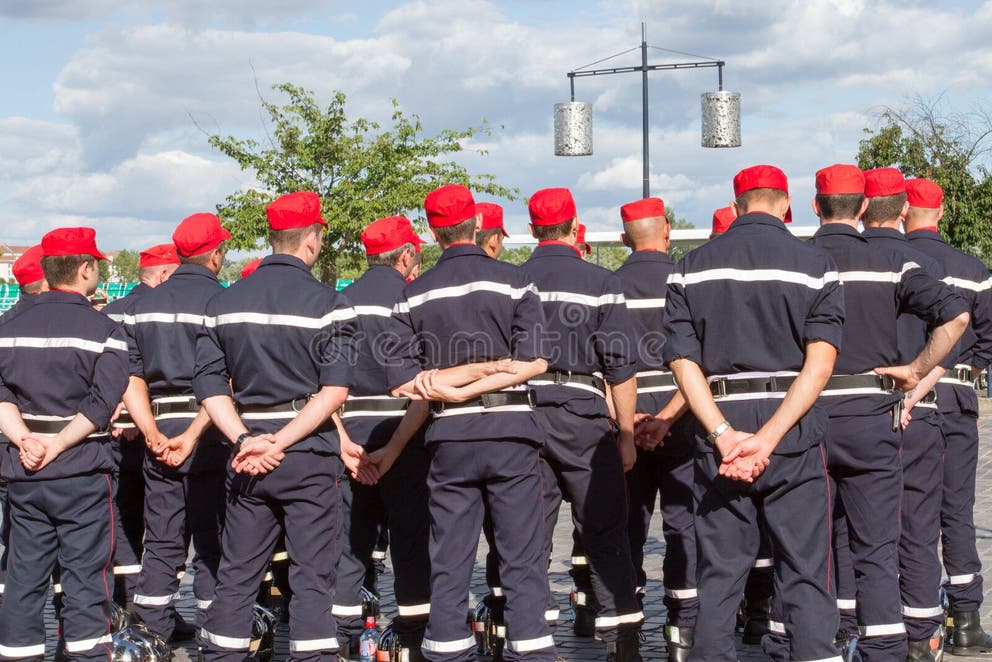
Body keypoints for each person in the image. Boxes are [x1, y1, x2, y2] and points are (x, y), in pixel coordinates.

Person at [663, 165, 843, 662]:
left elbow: (683, 362)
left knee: (719, 576)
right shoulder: (816, 265)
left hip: (719, 419)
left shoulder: (688, 267)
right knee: (806, 571)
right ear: (786, 204)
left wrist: (723, 434)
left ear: (736, 203)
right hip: (792, 426)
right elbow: (821, 362)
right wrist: (768, 437)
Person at [385, 183, 556, 661]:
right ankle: (532, 653)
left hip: (449, 436)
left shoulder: (412, 295)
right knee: (522, 558)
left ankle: (448, 652)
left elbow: (402, 381)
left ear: (433, 233)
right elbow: (536, 360)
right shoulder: (516, 280)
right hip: (512, 434)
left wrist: (453, 387)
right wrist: (487, 371)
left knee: (450, 559)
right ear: (477, 225)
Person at [808, 165, 968, 662]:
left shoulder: (801, 259)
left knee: (813, 542)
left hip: (807, 417)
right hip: (882, 413)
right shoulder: (899, 263)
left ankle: (820, 638)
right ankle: (900, 642)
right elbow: (960, 321)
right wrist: (915, 374)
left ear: (816, 206)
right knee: (891, 538)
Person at [194, 191, 362, 661]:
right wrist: (282, 440)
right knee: (313, 578)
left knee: (237, 575)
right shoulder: (331, 304)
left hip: (246, 457)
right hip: (307, 457)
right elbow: (334, 393)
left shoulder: (223, 304)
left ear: (272, 238)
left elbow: (210, 388)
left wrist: (248, 440)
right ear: (313, 238)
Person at [522, 187, 643, 660]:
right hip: (585, 416)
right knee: (605, 531)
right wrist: (627, 434)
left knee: (528, 535)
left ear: (531, 231)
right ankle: (623, 642)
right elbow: (621, 369)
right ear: (575, 228)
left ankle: (531, 639)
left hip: (525, 414)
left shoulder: (514, 280)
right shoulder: (601, 282)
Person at [0, 227, 127, 660]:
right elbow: (102, 404)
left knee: (23, 578)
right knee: (86, 579)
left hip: (23, 471)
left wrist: (25, 440)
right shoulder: (105, 329)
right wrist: (55, 446)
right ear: (86, 269)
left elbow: (2, 396)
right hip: (82, 473)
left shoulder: (6, 325)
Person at [123, 216, 231, 640]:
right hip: (210, 431)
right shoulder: (225, 302)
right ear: (216, 254)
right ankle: (213, 628)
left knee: (162, 539)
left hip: (160, 431)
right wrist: (195, 432)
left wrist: (150, 432)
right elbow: (227, 381)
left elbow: (132, 379)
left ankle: (151, 630)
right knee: (211, 537)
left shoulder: (142, 305)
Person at [859, 184, 954, 659]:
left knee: (850, 530)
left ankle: (853, 631)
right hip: (917, 411)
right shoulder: (926, 267)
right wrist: (915, 385)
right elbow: (957, 331)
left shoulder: (841, 259)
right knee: (918, 525)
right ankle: (920, 634)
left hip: (856, 412)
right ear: (902, 209)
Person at [334, 215, 431, 659]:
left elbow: (323, 382)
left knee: (349, 540)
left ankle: (342, 631)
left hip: (350, 436)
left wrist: (341, 439)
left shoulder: (338, 302)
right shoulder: (416, 298)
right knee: (410, 539)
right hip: (407, 434)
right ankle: (413, 630)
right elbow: (428, 383)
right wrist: (393, 449)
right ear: (406, 254)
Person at [903, 178, 992, 655]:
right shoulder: (973, 269)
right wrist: (966, 369)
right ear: (941, 212)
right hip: (955, 396)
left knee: (902, 510)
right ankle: (965, 619)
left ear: (902, 213)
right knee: (955, 509)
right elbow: (989, 338)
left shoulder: (897, 261)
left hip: (896, 394)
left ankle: (906, 612)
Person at [611, 197, 698, 661]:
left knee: (626, 528)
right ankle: (682, 632)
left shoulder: (610, 285)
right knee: (685, 526)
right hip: (682, 424)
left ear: (624, 238)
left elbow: (600, 366)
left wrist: (629, 424)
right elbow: (701, 361)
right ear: (667, 230)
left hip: (625, 426)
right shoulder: (688, 279)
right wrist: (668, 416)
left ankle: (626, 632)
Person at [101, 242, 180, 608]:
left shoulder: (111, 313)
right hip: (159, 432)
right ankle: (153, 607)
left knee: (125, 520)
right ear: (164, 275)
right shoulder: (165, 309)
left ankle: (125, 602)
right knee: (166, 527)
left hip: (115, 434)